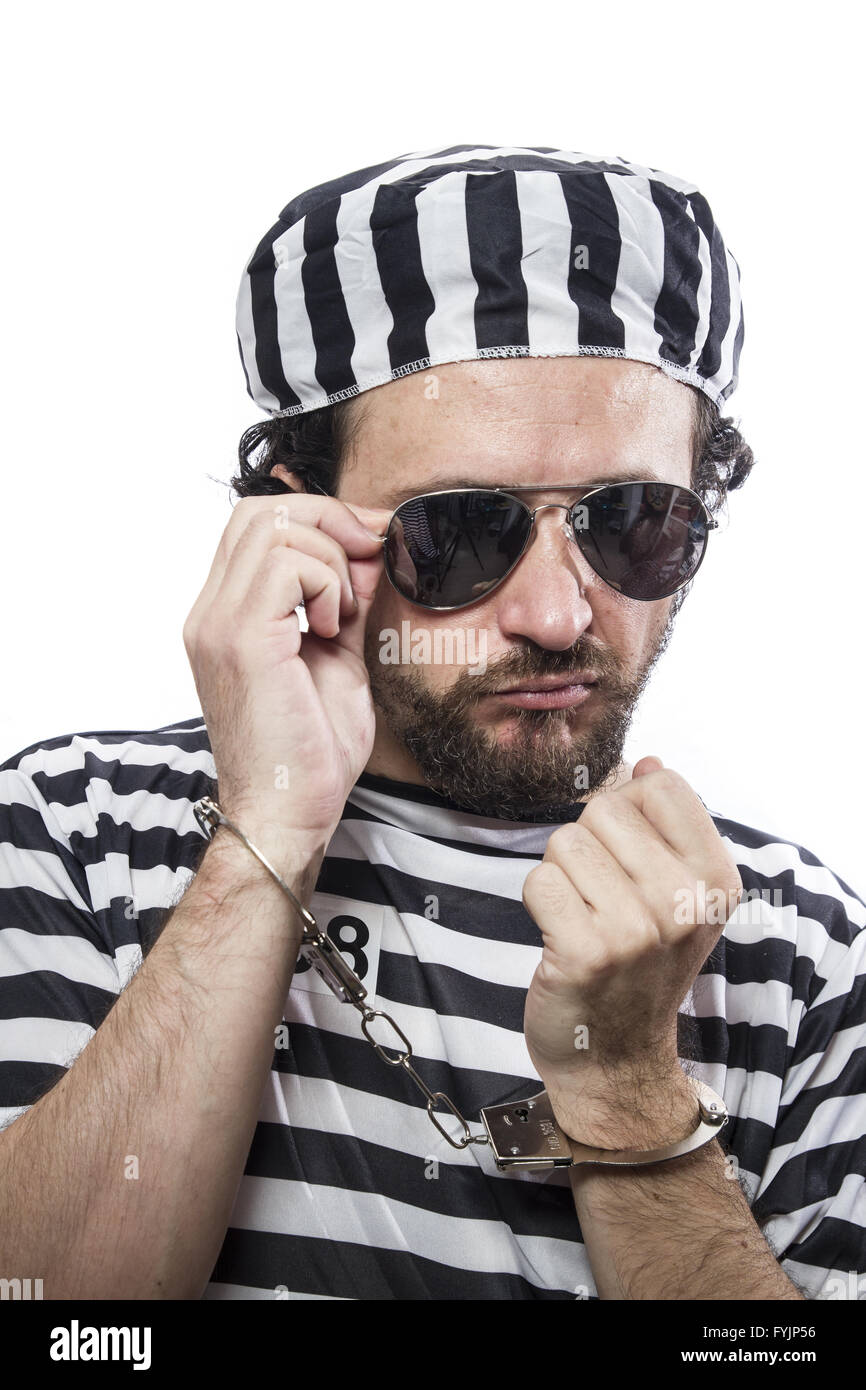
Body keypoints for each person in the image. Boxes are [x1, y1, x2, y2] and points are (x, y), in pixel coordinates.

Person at [0, 145, 863, 1302]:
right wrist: (268, 831)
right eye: (458, 529)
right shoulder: (73, 834)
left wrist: (625, 1090)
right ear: (295, 521)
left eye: (633, 520)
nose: (556, 616)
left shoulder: (800, 955)